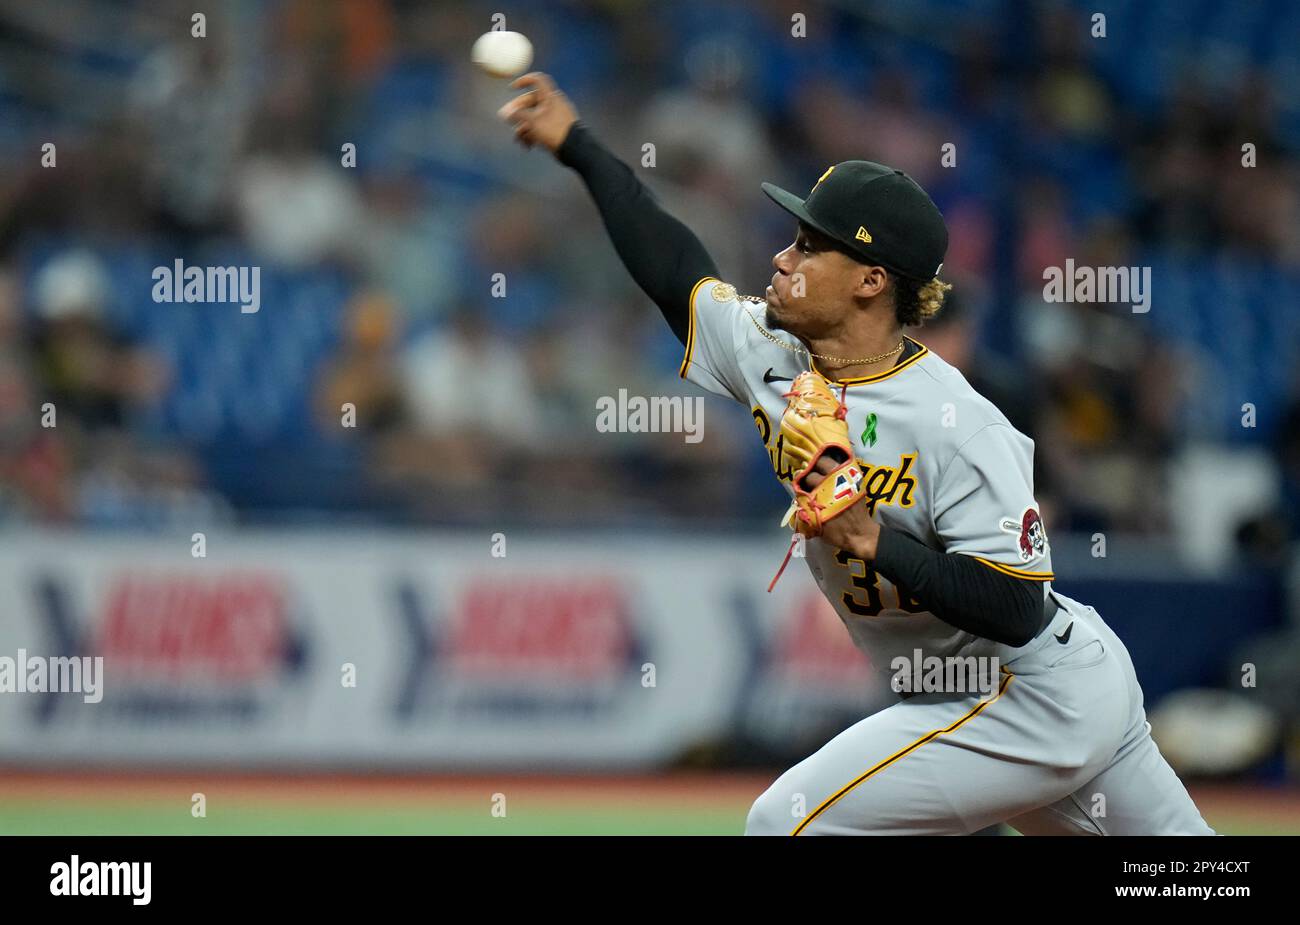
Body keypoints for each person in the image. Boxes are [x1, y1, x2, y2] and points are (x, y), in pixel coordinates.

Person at [498, 72, 1214, 836]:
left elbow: (1014, 604)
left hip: (1029, 689)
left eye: (810, 244)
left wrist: (873, 540)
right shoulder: (772, 352)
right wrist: (579, 146)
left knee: (786, 822)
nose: (781, 256)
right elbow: (674, 267)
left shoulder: (958, 422)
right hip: (996, 692)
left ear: (872, 280)